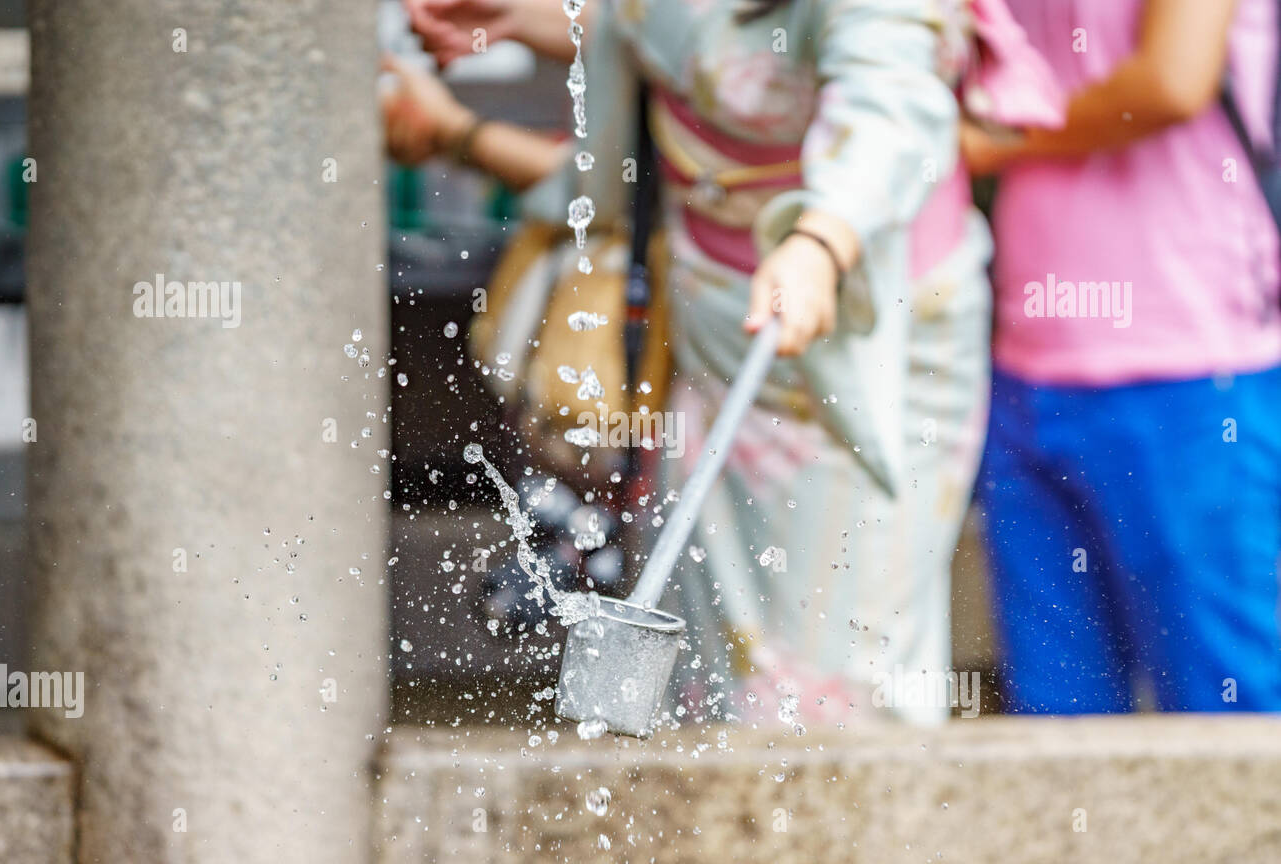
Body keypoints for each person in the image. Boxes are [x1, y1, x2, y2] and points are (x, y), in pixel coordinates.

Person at [386, 0, 1002, 726]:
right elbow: (669, 35)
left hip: (859, 327)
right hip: (710, 326)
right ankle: (728, 821)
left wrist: (821, 238)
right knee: (709, 647)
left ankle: (837, 826)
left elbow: (890, 106)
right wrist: (523, 20)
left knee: (841, 661)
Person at [963, 0, 1281, 713]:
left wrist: (999, 141)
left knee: (1227, 723)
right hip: (1024, 366)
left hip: (1193, 368)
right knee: (1058, 734)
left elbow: (1172, 81)